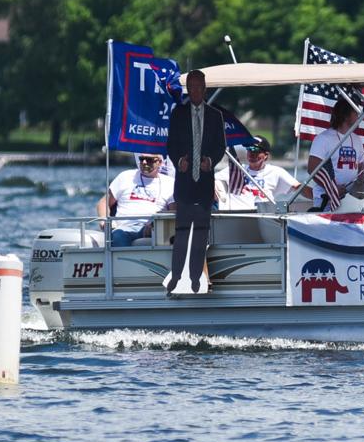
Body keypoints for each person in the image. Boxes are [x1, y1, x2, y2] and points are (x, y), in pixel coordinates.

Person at [165, 69, 227, 295]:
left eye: (199, 87)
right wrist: (179, 160)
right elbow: (170, 145)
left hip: (204, 183)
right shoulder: (178, 114)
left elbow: (221, 146)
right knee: (182, 232)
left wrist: (210, 161)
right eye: (191, 88)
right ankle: (176, 277)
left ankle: (195, 279)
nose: (195, 91)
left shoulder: (214, 115)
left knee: (201, 233)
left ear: (205, 89)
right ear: (187, 90)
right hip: (184, 183)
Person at [97, 153, 174, 246]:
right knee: (118, 235)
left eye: (149, 160)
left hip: (155, 227)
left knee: (163, 235)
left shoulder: (170, 183)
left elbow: (174, 211)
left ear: (160, 162)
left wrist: (155, 222)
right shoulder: (125, 176)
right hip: (125, 227)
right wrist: (103, 220)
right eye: (142, 159)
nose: (144, 162)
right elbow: (103, 203)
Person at [308, 97, 364, 210]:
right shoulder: (323, 138)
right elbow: (313, 169)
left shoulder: (357, 140)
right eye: (355, 112)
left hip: (351, 199)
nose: (359, 116)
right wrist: (333, 189)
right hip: (326, 200)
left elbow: (362, 168)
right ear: (345, 115)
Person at [229, 136, 310, 209]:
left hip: (264, 214)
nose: (251, 153)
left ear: (266, 155)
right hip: (240, 212)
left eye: (255, 150)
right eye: (249, 149)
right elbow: (217, 182)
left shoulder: (276, 172)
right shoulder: (237, 170)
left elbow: (299, 187)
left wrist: (319, 196)